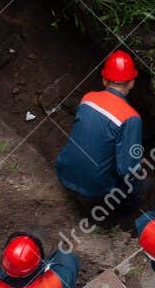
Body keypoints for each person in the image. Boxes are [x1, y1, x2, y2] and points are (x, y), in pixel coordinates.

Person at [54, 50, 145, 217]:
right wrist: (138, 163)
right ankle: (117, 218)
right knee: (140, 183)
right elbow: (127, 170)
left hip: (64, 171)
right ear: (132, 83)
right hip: (94, 190)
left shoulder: (87, 98)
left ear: (104, 80)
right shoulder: (132, 118)